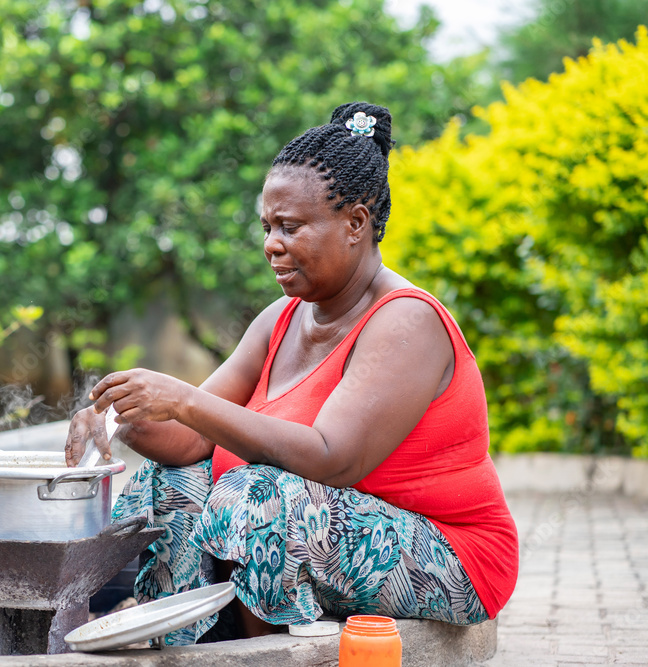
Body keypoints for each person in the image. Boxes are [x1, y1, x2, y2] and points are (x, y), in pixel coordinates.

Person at [66, 102, 519, 644]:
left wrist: (184, 399)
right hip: (325, 536)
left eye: (290, 226)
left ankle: (264, 652)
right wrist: (120, 414)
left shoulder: (406, 322)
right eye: (266, 226)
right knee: (172, 480)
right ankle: (192, 646)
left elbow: (334, 458)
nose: (270, 244)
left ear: (356, 223)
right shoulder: (280, 319)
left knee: (259, 495)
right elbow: (187, 441)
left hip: (450, 554)